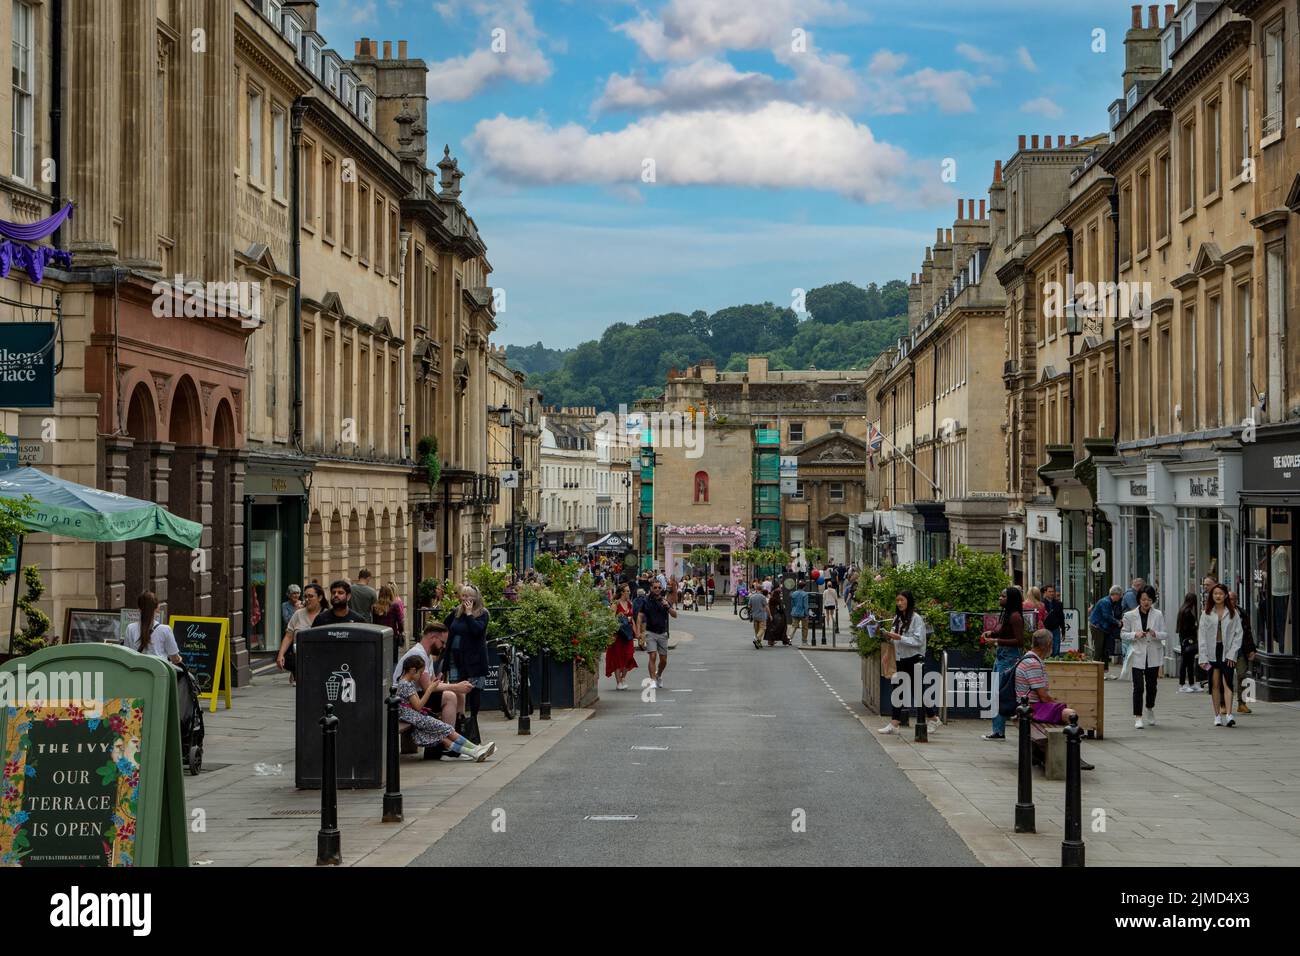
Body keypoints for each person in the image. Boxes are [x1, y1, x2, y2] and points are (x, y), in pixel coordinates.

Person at [1014, 629, 1095, 771]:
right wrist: (1057, 705)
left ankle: (1040, 751)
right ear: (1048, 644)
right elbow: (1043, 696)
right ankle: (1074, 756)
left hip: (1028, 706)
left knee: (1062, 709)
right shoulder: (1033, 663)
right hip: (1033, 708)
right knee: (1070, 714)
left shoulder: (1028, 657)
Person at [393, 620, 472, 757]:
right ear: (433, 638)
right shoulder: (417, 655)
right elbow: (428, 687)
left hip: (415, 695)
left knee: (457, 694)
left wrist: (454, 687)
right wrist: (456, 687)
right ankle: (447, 742)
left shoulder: (427, 655)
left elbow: (433, 681)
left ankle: (457, 734)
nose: (444, 646)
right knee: (450, 696)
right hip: (406, 701)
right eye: (442, 642)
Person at [394, 654, 495, 761]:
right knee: (447, 730)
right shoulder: (406, 684)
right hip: (415, 719)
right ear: (413, 670)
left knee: (441, 736)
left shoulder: (404, 682)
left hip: (412, 718)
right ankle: (476, 749)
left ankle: (474, 752)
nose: (421, 675)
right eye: (420, 672)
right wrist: (430, 689)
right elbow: (418, 706)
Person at [877, 591, 939, 735]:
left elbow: (919, 641)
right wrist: (888, 639)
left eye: (902, 600)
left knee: (917, 692)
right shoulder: (897, 619)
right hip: (900, 658)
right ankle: (894, 723)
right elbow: (894, 639)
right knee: (898, 690)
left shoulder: (916, 619)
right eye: (897, 600)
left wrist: (900, 637)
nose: (899, 603)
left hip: (914, 659)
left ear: (908, 601)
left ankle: (933, 718)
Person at [444, 585, 491, 743]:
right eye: (463, 596)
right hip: (455, 658)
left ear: (475, 598)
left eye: (468, 596)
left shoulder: (482, 614)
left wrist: (470, 615)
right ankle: (460, 721)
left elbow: (477, 631)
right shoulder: (457, 612)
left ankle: (473, 723)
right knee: (457, 689)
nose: (465, 599)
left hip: (474, 659)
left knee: (474, 691)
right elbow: (446, 626)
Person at [980, 586, 1026, 740]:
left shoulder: (1015, 617)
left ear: (1010, 599)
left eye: (1003, 596)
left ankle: (999, 731)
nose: (1000, 598)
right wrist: (992, 633)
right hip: (1002, 657)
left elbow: (1019, 641)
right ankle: (997, 730)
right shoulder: (1007, 615)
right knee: (995, 693)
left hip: (1008, 658)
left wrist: (995, 640)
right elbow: (1006, 632)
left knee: (999, 694)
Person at [1199, 583, 1243, 727]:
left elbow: (1238, 634)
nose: (1218, 596)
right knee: (1215, 683)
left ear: (1225, 596)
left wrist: (1232, 654)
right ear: (1212, 596)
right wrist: (1203, 657)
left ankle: (1229, 715)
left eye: (1221, 593)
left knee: (1228, 682)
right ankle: (1217, 715)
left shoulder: (1233, 613)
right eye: (1215, 593)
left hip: (1227, 651)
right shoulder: (1206, 613)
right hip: (1212, 651)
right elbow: (1202, 636)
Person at [1122, 585, 1166, 729]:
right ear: (1139, 600)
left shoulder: (1158, 614)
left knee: (1152, 686)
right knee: (1138, 687)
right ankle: (1138, 717)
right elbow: (1123, 634)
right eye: (1143, 599)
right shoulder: (1130, 615)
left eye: (1148, 599)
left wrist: (1155, 634)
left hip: (1153, 654)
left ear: (1152, 600)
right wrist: (1135, 634)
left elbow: (1165, 634)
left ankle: (1149, 708)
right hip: (1137, 654)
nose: (1146, 602)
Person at [279, 582, 325, 685]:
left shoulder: (326, 614)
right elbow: (289, 635)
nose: (307, 599)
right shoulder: (298, 614)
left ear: (320, 597)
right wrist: (281, 654)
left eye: (311, 596)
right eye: (305, 596)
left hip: (321, 662)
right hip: (300, 660)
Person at [637, 578, 676, 688]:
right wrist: (639, 631)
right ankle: (653, 680)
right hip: (650, 632)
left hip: (662, 633)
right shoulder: (646, 601)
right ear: (651, 588)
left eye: (659, 587)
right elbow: (640, 616)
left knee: (663, 660)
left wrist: (668, 607)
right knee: (652, 656)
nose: (657, 589)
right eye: (655, 587)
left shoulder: (664, 601)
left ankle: (658, 675)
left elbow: (675, 615)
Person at [124, 591, 181, 664]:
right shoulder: (165, 629)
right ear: (157, 608)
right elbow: (174, 658)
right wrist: (179, 659)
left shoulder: (130, 628)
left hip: (137, 672)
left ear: (139, 609)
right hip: (159, 673)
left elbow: (127, 654)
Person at [1229, 590, 1256, 715]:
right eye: (1229, 599)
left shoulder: (1242, 613)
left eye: (1233, 599)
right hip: (1227, 650)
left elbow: (1248, 632)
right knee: (1226, 678)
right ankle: (1224, 704)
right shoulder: (1220, 613)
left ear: (1236, 600)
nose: (1231, 601)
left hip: (1240, 649)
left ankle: (1242, 703)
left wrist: (1251, 649)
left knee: (1242, 675)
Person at [607, 584, 639, 690]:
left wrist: (637, 633)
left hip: (628, 635)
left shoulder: (630, 604)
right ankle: (619, 682)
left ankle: (623, 677)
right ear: (622, 592)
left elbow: (632, 619)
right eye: (627, 591)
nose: (629, 593)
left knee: (629, 655)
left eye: (629, 591)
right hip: (618, 635)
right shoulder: (615, 604)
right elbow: (611, 620)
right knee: (617, 658)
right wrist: (620, 619)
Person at [1089, 586, 1124, 676]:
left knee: (1105, 650)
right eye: (1120, 595)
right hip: (1098, 627)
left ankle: (1105, 672)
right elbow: (1106, 616)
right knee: (1099, 648)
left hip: (1103, 628)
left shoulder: (1111, 602)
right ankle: (1095, 672)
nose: (1120, 597)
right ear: (1115, 595)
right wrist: (1117, 622)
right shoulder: (1106, 602)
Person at [372, 583, 406, 661]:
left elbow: (374, 622)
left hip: (379, 635)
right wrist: (401, 631)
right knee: (392, 660)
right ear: (391, 593)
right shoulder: (395, 606)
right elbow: (400, 621)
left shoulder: (375, 607)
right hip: (392, 635)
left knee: (380, 659)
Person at [1175, 592, 1201, 693]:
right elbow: (1188, 627)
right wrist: (1195, 627)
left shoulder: (1183, 610)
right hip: (1188, 640)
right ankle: (1183, 684)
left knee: (1188, 662)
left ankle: (1190, 683)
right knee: (1187, 662)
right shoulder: (1188, 612)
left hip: (1184, 640)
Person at [1041, 585, 1065, 657]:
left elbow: (1061, 618)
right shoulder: (1042, 604)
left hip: (1055, 629)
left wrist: (1063, 630)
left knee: (1056, 650)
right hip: (1045, 629)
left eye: (1053, 591)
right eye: (1050, 591)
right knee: (1045, 650)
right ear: (1045, 592)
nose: (1052, 593)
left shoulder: (1058, 604)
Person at [747, 581, 769, 649]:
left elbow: (749, 606)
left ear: (756, 589)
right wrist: (770, 615)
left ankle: (759, 642)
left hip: (754, 615)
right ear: (761, 590)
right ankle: (757, 639)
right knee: (762, 628)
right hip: (762, 615)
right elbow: (766, 606)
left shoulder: (752, 597)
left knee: (756, 629)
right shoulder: (763, 597)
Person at [790, 580, 809, 644]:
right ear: (804, 587)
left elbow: (792, 604)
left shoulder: (794, 593)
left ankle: (789, 638)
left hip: (795, 611)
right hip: (803, 613)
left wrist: (793, 609)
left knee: (794, 626)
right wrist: (807, 614)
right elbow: (805, 605)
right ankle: (804, 640)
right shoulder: (805, 594)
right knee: (805, 627)